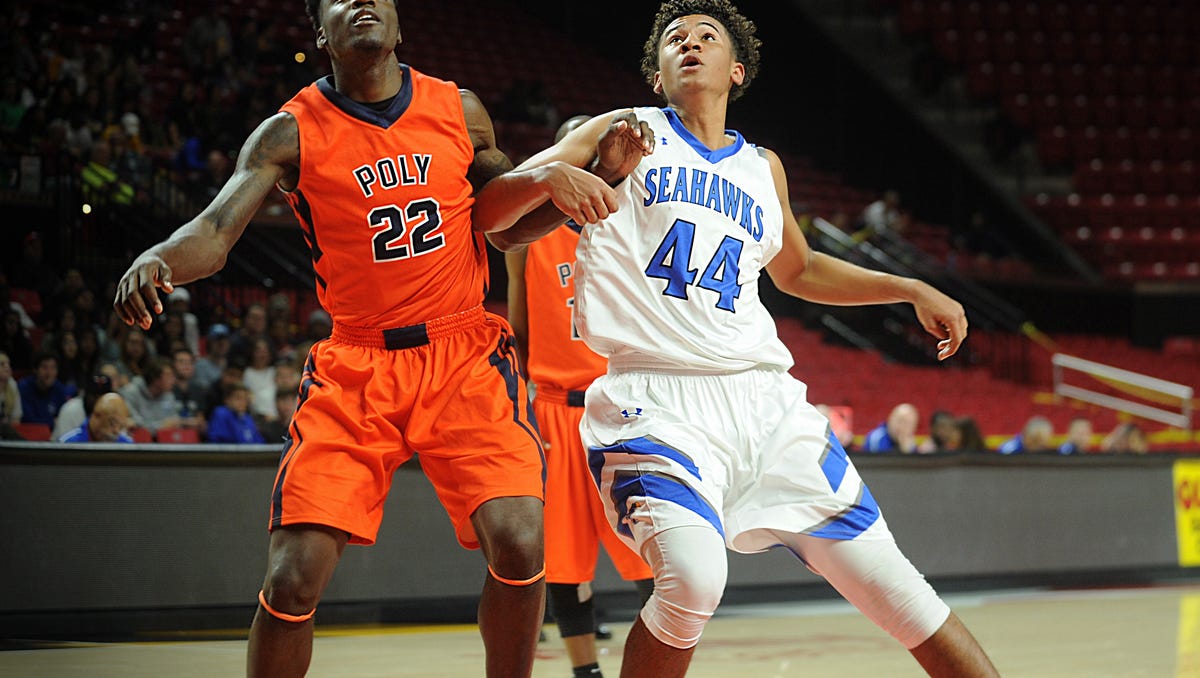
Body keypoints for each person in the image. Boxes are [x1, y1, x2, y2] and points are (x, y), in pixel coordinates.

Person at [481, 2, 998, 675]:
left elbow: (801, 269)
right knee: (693, 580)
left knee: (901, 592)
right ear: (658, 75)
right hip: (654, 401)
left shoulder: (762, 167)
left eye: (707, 37)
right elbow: (494, 217)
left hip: (765, 404)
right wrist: (555, 175)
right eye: (675, 39)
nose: (690, 44)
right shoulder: (621, 132)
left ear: (738, 68)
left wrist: (907, 287)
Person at [112, 0, 620, 674]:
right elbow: (213, 233)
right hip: (358, 364)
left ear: (399, 23)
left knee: (524, 546)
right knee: (293, 577)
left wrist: (578, 184)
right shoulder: (287, 132)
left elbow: (502, 227)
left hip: (462, 354)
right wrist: (159, 259)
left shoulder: (457, 109)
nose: (362, 1)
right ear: (320, 30)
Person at [507, 116, 656, 678]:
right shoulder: (529, 236)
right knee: (564, 563)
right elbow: (519, 324)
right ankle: (585, 672)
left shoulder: (639, 229)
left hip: (620, 405)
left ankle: (654, 666)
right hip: (553, 409)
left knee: (653, 550)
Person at [118, 356, 185, 436]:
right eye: (168, 375)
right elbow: (135, 425)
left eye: (173, 376)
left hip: (164, 442)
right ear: (155, 378)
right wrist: (161, 426)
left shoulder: (168, 395)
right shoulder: (130, 393)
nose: (173, 380)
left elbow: (174, 422)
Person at [18, 351, 72, 427]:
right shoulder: (24, 387)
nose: (49, 373)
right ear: (35, 370)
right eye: (44, 368)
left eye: (53, 368)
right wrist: (52, 422)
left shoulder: (59, 388)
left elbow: (64, 417)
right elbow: (27, 420)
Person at [58, 392, 134, 443]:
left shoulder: (126, 445)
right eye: (112, 423)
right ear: (97, 417)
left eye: (121, 427)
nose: (116, 431)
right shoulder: (68, 444)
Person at [0, 351, 21, 439]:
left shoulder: (12, 384)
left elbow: (16, 417)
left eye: (8, 364)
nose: (7, 366)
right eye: (2, 364)